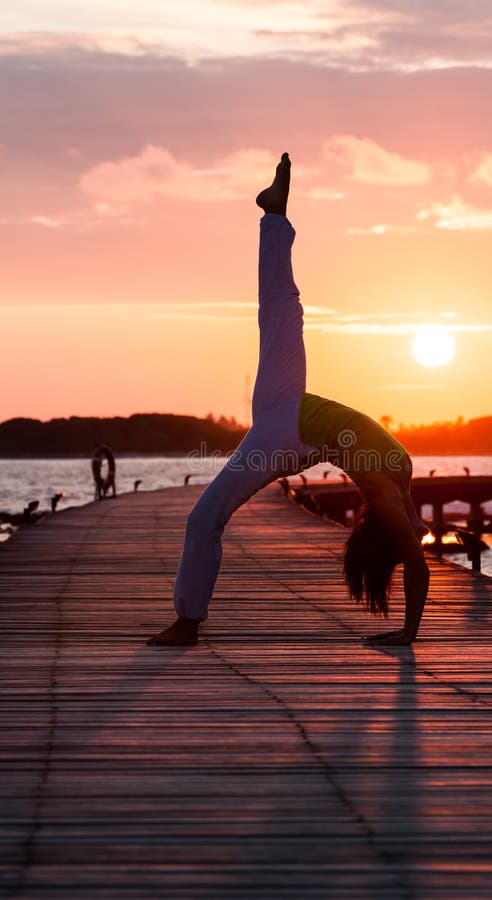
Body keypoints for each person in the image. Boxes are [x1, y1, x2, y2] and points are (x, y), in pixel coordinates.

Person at [147, 154, 430, 647]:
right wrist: (407, 627)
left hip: (288, 436)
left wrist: (408, 634)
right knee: (281, 309)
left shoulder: (390, 488)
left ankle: (188, 621)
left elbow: (415, 555)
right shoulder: (397, 486)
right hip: (291, 402)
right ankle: (274, 217)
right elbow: (416, 552)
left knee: (204, 517)